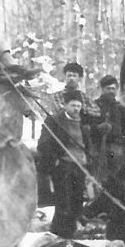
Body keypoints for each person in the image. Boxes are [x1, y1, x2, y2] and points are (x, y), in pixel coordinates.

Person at [36, 88, 93, 238]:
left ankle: (72, 232)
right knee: (64, 201)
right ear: (65, 105)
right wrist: (53, 160)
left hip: (80, 166)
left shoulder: (83, 123)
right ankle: (60, 233)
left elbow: (87, 145)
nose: (76, 109)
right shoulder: (55, 121)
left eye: (78, 106)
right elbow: (44, 143)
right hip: (63, 166)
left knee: (77, 201)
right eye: (73, 105)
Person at [91, 75, 125, 177]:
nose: (111, 91)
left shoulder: (120, 108)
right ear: (102, 89)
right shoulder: (94, 105)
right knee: (97, 175)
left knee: (115, 176)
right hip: (98, 146)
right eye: (108, 88)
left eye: (113, 89)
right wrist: (99, 128)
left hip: (116, 147)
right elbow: (88, 125)